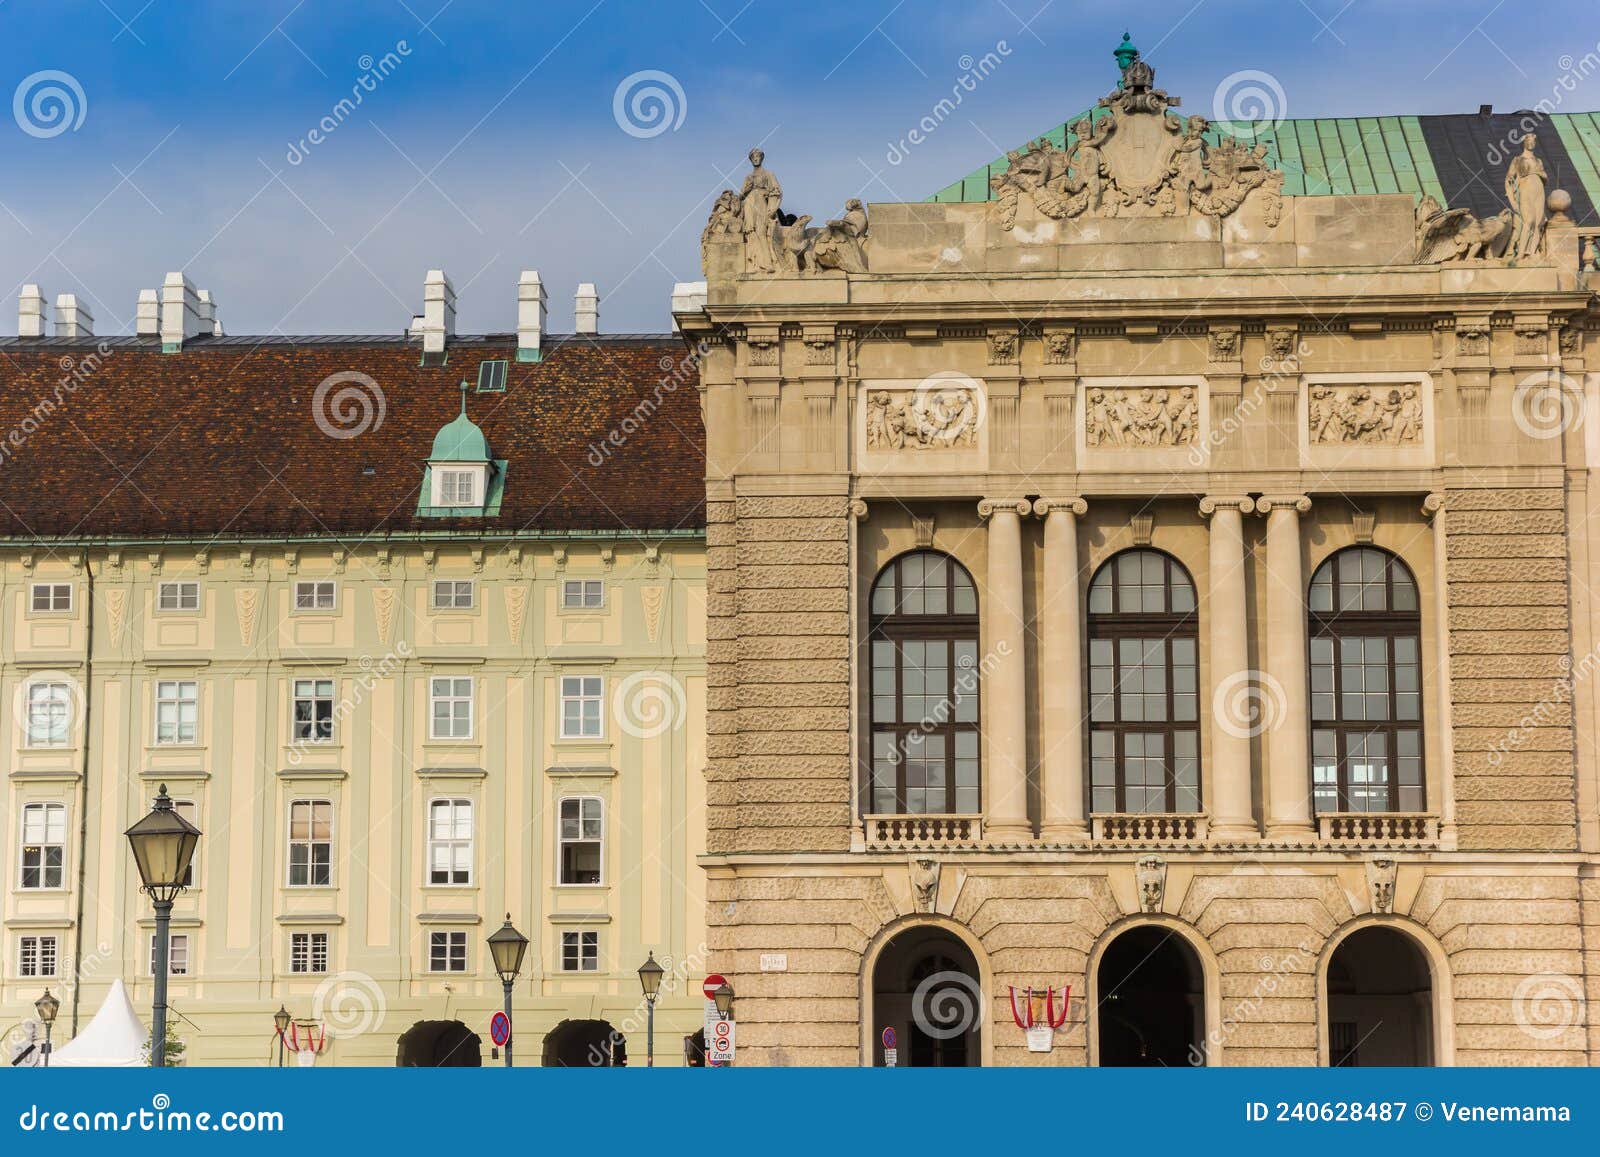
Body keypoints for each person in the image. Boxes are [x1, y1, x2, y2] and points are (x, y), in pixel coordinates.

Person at [739, 148, 783, 273]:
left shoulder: (768, 174)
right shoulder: (748, 177)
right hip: (749, 204)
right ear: (751, 160)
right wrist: (745, 191)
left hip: (761, 205)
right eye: (753, 157)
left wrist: (773, 207)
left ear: (762, 158)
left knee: (762, 233)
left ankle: (768, 264)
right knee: (751, 233)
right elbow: (741, 196)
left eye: (758, 156)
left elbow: (777, 191)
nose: (756, 159)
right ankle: (754, 264)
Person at [1504, 133, 1547, 260]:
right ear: (1524, 143)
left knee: (1538, 223)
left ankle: (1532, 252)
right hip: (1526, 190)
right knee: (1529, 221)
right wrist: (1512, 201)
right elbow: (1508, 180)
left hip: (1539, 191)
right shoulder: (1518, 160)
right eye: (1529, 141)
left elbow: (1545, 177)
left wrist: (1540, 173)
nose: (1531, 143)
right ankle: (1521, 253)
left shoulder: (1538, 161)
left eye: (1533, 141)